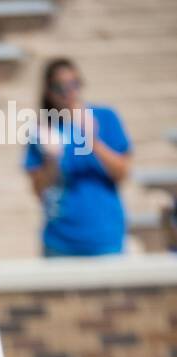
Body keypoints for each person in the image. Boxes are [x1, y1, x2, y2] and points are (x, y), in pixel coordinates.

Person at [23, 58, 131, 257]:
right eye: (59, 87)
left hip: (106, 236)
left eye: (73, 84)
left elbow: (122, 173)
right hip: (60, 241)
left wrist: (93, 142)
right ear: (48, 91)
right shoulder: (42, 129)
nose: (68, 92)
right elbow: (39, 191)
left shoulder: (105, 117)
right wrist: (51, 160)